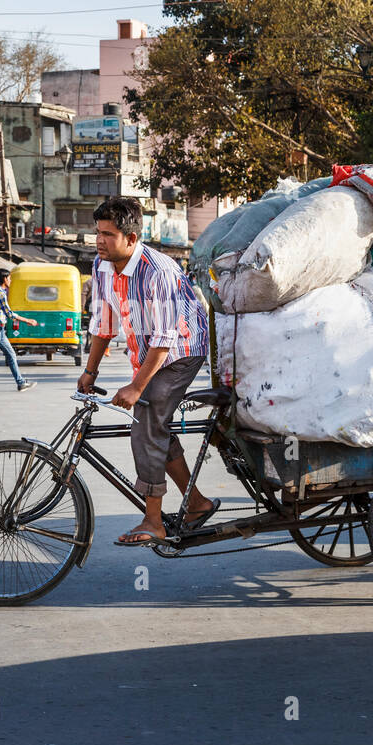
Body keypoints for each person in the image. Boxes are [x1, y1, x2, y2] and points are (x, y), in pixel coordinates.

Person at [77, 196, 216, 547]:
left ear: (132, 238)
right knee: (157, 427)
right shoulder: (101, 266)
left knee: (147, 418)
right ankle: (197, 503)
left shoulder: (159, 270)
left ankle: (153, 521)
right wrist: (89, 372)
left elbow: (165, 338)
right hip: (148, 354)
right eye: (98, 232)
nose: (100, 241)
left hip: (181, 351)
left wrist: (137, 388)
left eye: (108, 234)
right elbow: (103, 323)